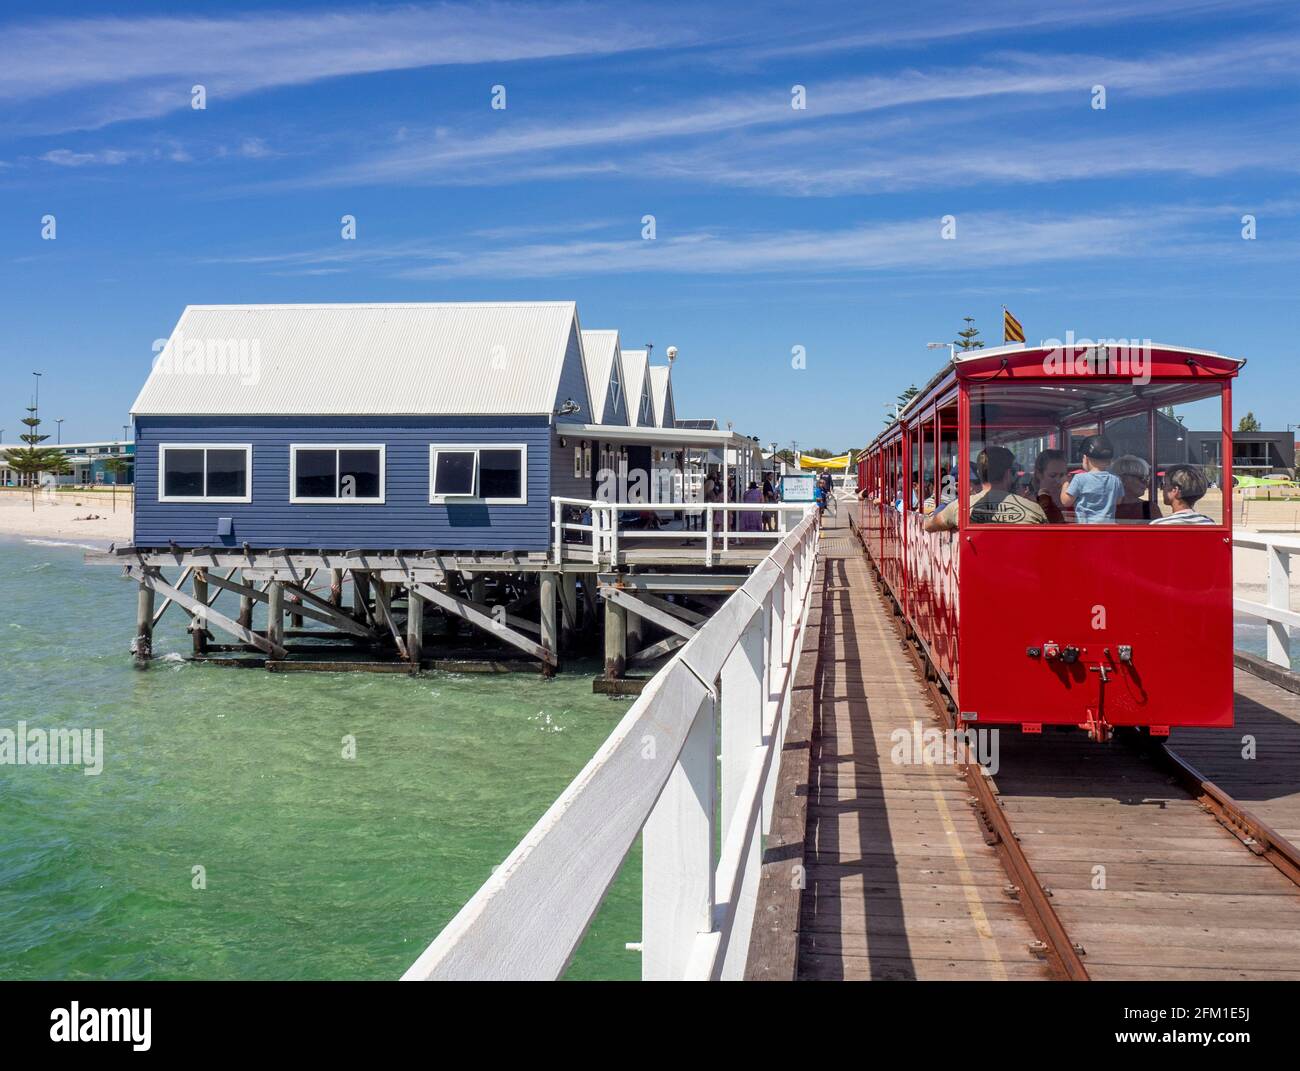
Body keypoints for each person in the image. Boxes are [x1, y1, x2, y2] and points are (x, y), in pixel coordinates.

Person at [923, 446, 1046, 531]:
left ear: (979, 473)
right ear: (1008, 473)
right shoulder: (1033, 509)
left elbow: (928, 525)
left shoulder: (960, 508)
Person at [1060, 434, 1123, 524]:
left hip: (1087, 528)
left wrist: (1065, 483)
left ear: (1086, 459)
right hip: (1108, 528)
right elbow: (1118, 501)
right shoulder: (1116, 479)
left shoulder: (1079, 479)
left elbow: (1066, 502)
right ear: (1109, 461)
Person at [1151, 464, 1215, 524]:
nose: (1162, 488)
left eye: (1164, 484)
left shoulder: (1160, 524)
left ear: (1175, 490)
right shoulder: (1209, 522)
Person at [1113, 454, 1160, 522]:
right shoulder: (1107, 507)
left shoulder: (1149, 509)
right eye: (1142, 477)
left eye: (1147, 478)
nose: (1146, 483)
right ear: (1123, 479)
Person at [1033, 448, 1073, 524]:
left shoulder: (1071, 502)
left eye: (1062, 475)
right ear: (1039, 474)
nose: (1058, 481)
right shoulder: (1031, 502)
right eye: (1052, 475)